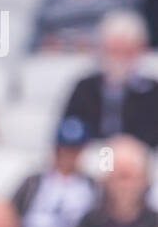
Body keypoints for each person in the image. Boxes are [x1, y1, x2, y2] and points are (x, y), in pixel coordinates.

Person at [61, 135, 158, 227]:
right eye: (118, 177)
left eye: (130, 177)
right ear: (104, 180)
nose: (124, 186)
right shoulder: (86, 226)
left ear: (146, 180)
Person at [61, 10, 158, 147]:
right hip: (95, 155)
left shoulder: (152, 90)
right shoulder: (85, 87)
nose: (118, 60)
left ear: (139, 51)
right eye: (113, 51)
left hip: (138, 157)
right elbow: (68, 130)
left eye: (126, 52)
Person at [12, 117, 98, 227]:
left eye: (75, 150)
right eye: (65, 149)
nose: (69, 156)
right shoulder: (33, 182)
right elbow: (11, 213)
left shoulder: (92, 185)